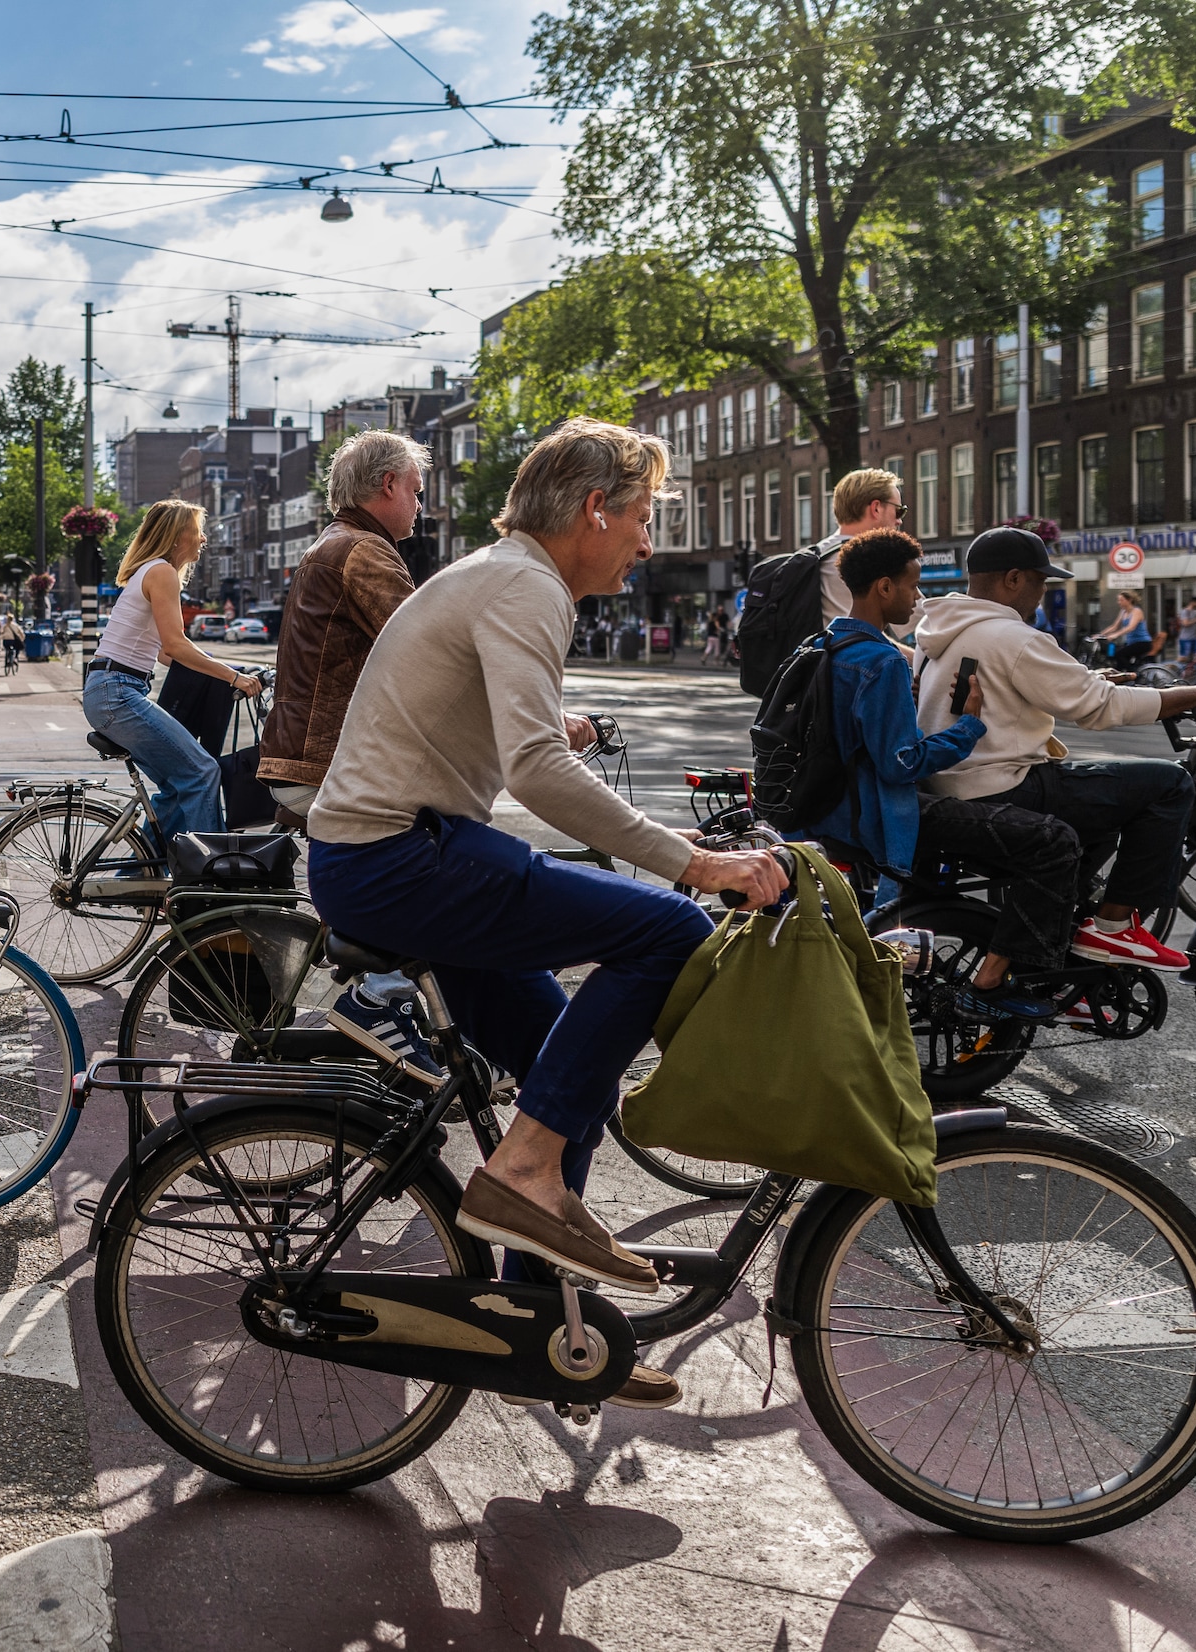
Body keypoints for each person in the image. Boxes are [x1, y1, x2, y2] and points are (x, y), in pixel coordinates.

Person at [307, 417, 787, 1411]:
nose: (646, 541)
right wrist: (695, 862)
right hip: (402, 858)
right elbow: (536, 768)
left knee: (570, 1083)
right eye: (643, 517)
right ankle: (523, 1168)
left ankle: (536, 1333)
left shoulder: (504, 578)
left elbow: (511, 741)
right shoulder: (525, 586)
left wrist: (661, 835)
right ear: (593, 509)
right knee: (669, 929)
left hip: (397, 853)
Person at [915, 526, 1196, 972]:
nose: (1043, 593)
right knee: (1169, 783)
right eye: (1040, 581)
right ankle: (1113, 928)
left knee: (1102, 809)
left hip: (952, 784)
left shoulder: (940, 631)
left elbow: (1021, 689)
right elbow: (1101, 709)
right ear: (1012, 579)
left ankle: (1062, 940)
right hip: (1004, 784)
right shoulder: (1013, 636)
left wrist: (1090, 680)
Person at [809, 531, 1071, 1021]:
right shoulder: (883, 660)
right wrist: (969, 726)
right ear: (884, 587)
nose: (917, 598)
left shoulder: (825, 645)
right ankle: (997, 980)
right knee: (1053, 840)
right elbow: (900, 763)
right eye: (912, 586)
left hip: (836, 809)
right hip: (886, 813)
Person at [257, 428, 422, 821]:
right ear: (388, 484)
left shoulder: (334, 541)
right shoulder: (363, 550)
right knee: (458, 830)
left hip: (301, 756)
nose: (419, 505)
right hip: (327, 765)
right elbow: (429, 648)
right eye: (415, 491)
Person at [82, 500, 263, 844]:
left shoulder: (148, 571)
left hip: (109, 691)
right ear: (178, 535)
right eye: (197, 531)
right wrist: (233, 677)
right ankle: (211, 868)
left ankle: (140, 871)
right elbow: (177, 646)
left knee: (179, 786)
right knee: (202, 772)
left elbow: (165, 653)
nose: (203, 538)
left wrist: (227, 669)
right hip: (117, 693)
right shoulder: (161, 572)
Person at [814, 468, 906, 621]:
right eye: (899, 511)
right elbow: (926, 625)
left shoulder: (817, 554)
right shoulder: (877, 561)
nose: (899, 521)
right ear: (876, 508)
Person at [1092, 592, 1154, 670]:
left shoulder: (1136, 611)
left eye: (1121, 600)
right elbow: (1114, 626)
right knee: (1116, 656)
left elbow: (1131, 627)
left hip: (1142, 643)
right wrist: (1100, 635)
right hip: (1131, 642)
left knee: (1120, 654)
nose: (1119, 602)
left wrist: (1116, 635)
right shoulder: (1123, 612)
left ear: (1129, 600)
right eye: (1118, 600)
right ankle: (1121, 673)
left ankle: (1133, 674)